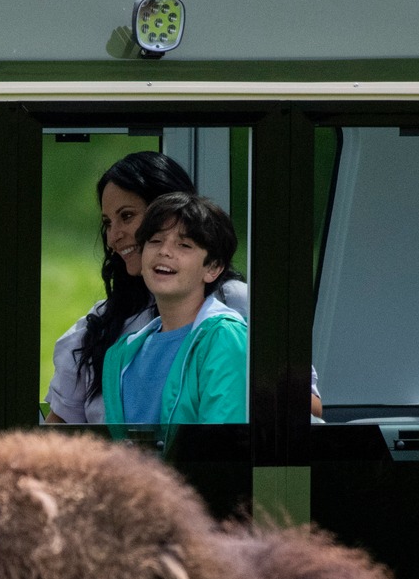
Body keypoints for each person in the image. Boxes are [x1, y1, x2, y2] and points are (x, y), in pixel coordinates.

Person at [44, 151, 283, 424]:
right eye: (107, 223)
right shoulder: (110, 334)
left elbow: (293, 408)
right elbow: (60, 430)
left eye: (127, 216)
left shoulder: (230, 316)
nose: (113, 237)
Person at [99, 193, 248, 427]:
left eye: (184, 245)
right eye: (155, 241)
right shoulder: (122, 354)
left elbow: (220, 452)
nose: (164, 251)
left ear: (213, 268)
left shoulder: (224, 337)